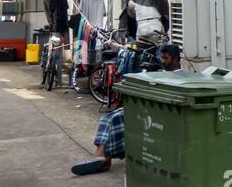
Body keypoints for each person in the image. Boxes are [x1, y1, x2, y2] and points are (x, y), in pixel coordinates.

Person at [71, 42, 182, 176]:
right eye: (162, 58)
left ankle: (103, 157)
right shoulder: (162, 73)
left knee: (114, 119)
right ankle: (102, 157)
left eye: (166, 58)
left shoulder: (180, 77)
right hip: (146, 107)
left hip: (158, 113)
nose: (163, 62)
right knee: (108, 118)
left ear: (175, 59)